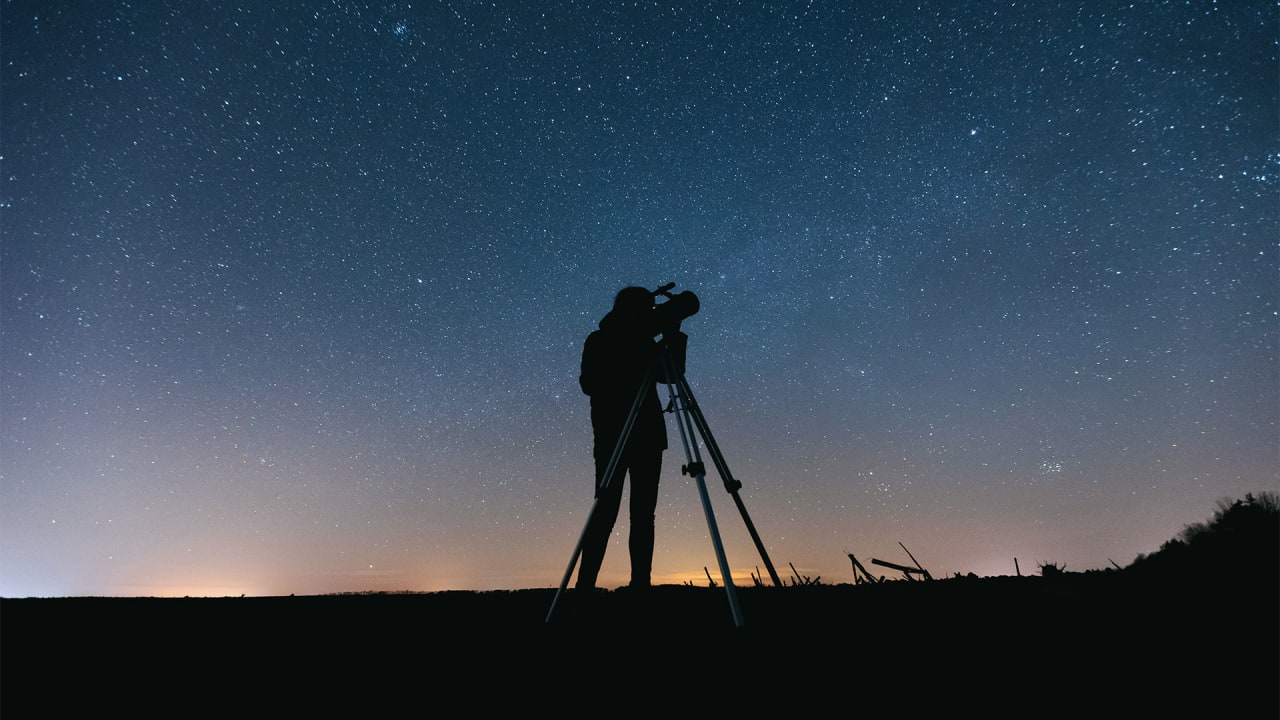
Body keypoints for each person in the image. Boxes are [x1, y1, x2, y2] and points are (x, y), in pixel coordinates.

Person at [576, 286, 686, 590]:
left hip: (648, 437)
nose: (650, 314)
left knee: (643, 516)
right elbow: (589, 383)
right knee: (605, 512)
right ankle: (584, 586)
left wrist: (673, 333)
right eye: (646, 309)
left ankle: (641, 586)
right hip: (613, 436)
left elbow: (672, 375)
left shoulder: (647, 341)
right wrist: (629, 356)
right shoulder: (599, 340)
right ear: (628, 309)